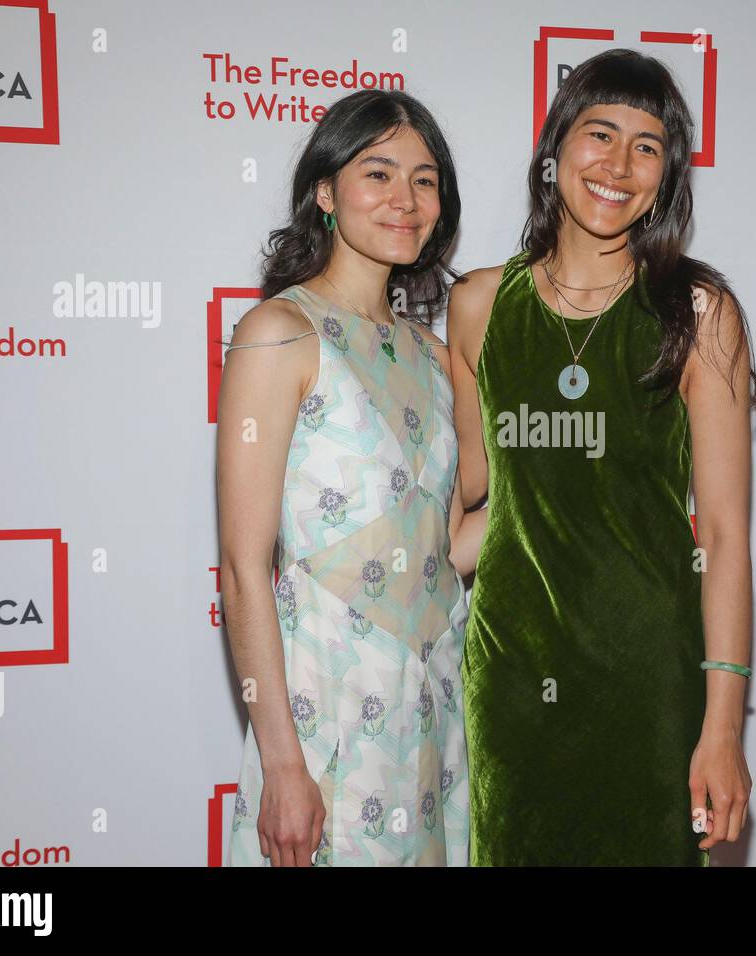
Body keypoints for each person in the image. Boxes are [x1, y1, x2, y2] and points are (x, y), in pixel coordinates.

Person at [446, 49, 756, 866]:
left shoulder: (698, 312)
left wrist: (721, 727)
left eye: (647, 146)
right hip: (514, 676)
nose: (618, 165)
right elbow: (478, 497)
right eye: (600, 134)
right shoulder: (479, 305)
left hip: (647, 680)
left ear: (668, 175)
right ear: (555, 151)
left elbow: (723, 534)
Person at [217, 89, 483, 867]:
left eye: (426, 179)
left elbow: (447, 549)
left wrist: (564, 484)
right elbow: (242, 570)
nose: (406, 199)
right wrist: (283, 766)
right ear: (326, 193)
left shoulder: (434, 358)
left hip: (430, 723)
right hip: (323, 720)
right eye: (379, 173)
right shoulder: (278, 334)